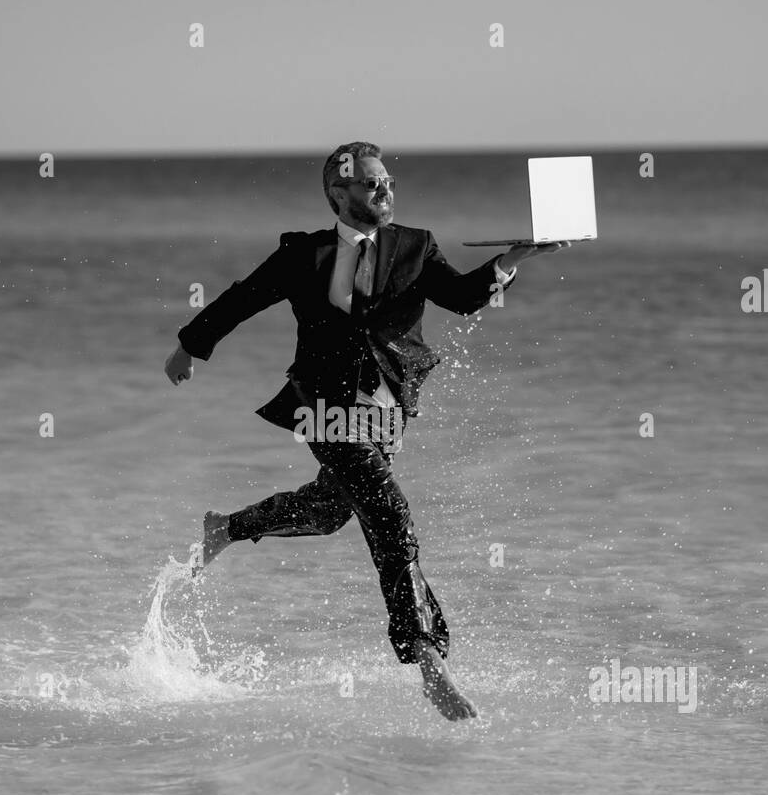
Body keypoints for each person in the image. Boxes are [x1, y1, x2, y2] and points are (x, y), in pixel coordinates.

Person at [164, 141, 564, 720]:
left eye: (388, 181)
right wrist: (190, 345)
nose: (385, 190)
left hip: (385, 407)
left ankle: (227, 527)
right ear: (338, 193)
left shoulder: (415, 245)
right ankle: (429, 660)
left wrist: (512, 260)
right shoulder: (303, 254)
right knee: (390, 515)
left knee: (330, 511)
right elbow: (242, 299)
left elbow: (460, 299)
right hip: (321, 407)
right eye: (372, 184)